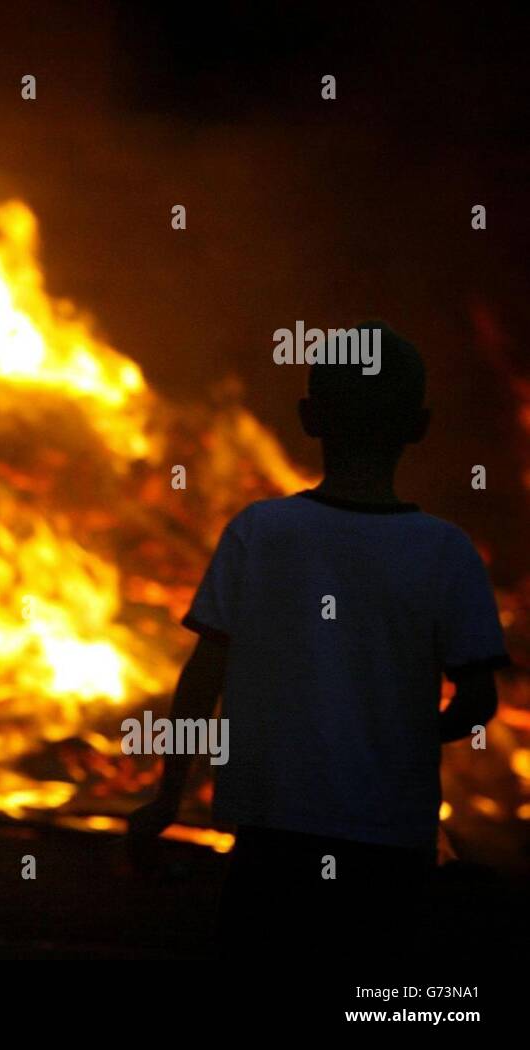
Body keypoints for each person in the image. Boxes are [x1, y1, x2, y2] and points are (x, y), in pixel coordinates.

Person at [128, 322, 509, 958]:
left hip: (272, 833)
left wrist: (167, 797)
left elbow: (202, 678)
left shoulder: (260, 532)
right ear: (419, 427)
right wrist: (408, 730)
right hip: (392, 842)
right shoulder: (446, 552)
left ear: (309, 418)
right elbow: (476, 702)